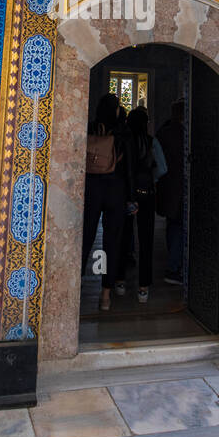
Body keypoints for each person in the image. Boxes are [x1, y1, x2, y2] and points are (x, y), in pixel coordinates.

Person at [82, 93, 134, 311]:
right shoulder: (122, 133)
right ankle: (105, 295)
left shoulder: (90, 128)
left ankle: (74, 288)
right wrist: (132, 198)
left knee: (85, 239)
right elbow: (129, 168)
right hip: (116, 192)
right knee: (112, 243)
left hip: (93, 189)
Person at [116, 106, 162, 303]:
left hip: (125, 196)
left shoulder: (123, 141)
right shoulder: (152, 142)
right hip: (146, 195)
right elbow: (162, 168)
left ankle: (119, 281)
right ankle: (143, 288)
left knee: (122, 238)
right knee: (146, 240)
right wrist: (151, 180)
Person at [156, 100, 186, 284]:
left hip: (167, 186)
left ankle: (173, 263)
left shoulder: (163, 132)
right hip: (179, 187)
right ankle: (174, 267)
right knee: (179, 225)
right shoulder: (184, 134)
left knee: (173, 224)